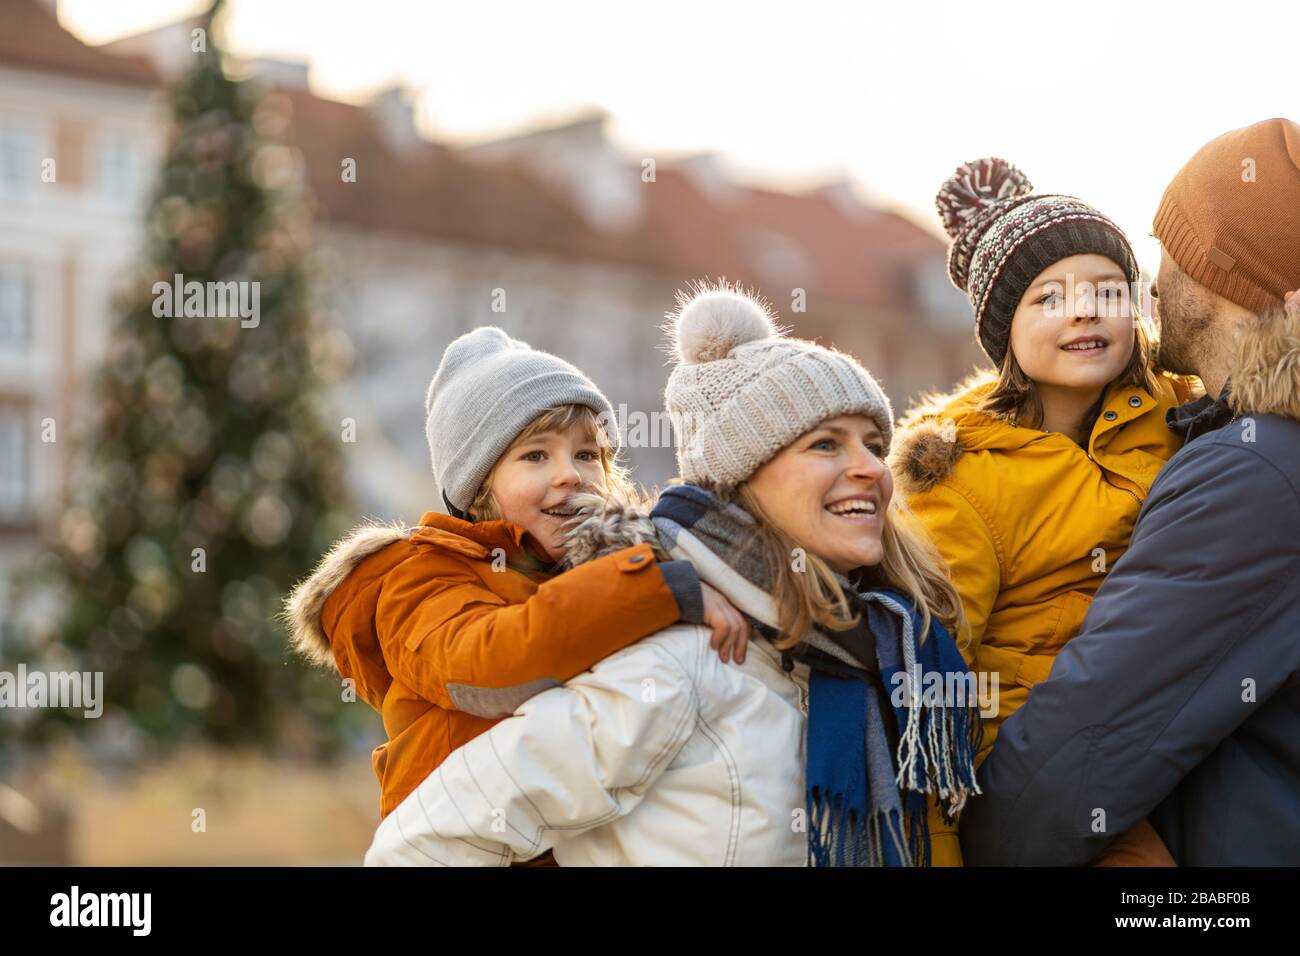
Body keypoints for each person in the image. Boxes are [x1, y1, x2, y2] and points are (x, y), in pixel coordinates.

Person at [364, 282, 981, 866]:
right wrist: (668, 590)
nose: (872, 467)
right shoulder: (679, 654)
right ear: (744, 472)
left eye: (874, 443)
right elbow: (427, 835)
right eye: (826, 444)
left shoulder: (891, 644)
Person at [959, 118, 1300, 865]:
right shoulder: (1241, 445)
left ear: (1221, 273)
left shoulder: (1257, 472)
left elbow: (1067, 765)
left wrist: (962, 839)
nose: (1156, 277)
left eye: (1169, 245)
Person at [281, 326, 743, 824]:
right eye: (536, 455)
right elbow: (492, 663)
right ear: (478, 483)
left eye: (587, 454)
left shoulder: (595, 574)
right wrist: (658, 589)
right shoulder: (418, 580)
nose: (569, 474)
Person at [891, 158, 1199, 864]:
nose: (1085, 310)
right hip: (1038, 762)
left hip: (1162, 719)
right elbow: (937, 678)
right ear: (1005, 334)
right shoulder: (960, 474)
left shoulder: (1177, 405)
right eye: (1049, 298)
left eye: (1107, 291)